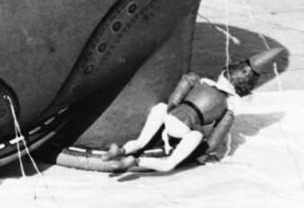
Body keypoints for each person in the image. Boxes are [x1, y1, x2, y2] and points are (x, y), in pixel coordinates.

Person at [104, 47, 285, 172]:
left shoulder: (201, 82)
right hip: (184, 128)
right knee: (170, 163)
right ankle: (135, 161)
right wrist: (202, 152)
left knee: (142, 140)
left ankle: (120, 151)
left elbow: (186, 81)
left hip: (169, 114)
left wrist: (172, 106)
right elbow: (214, 140)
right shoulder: (227, 110)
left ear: (224, 73)